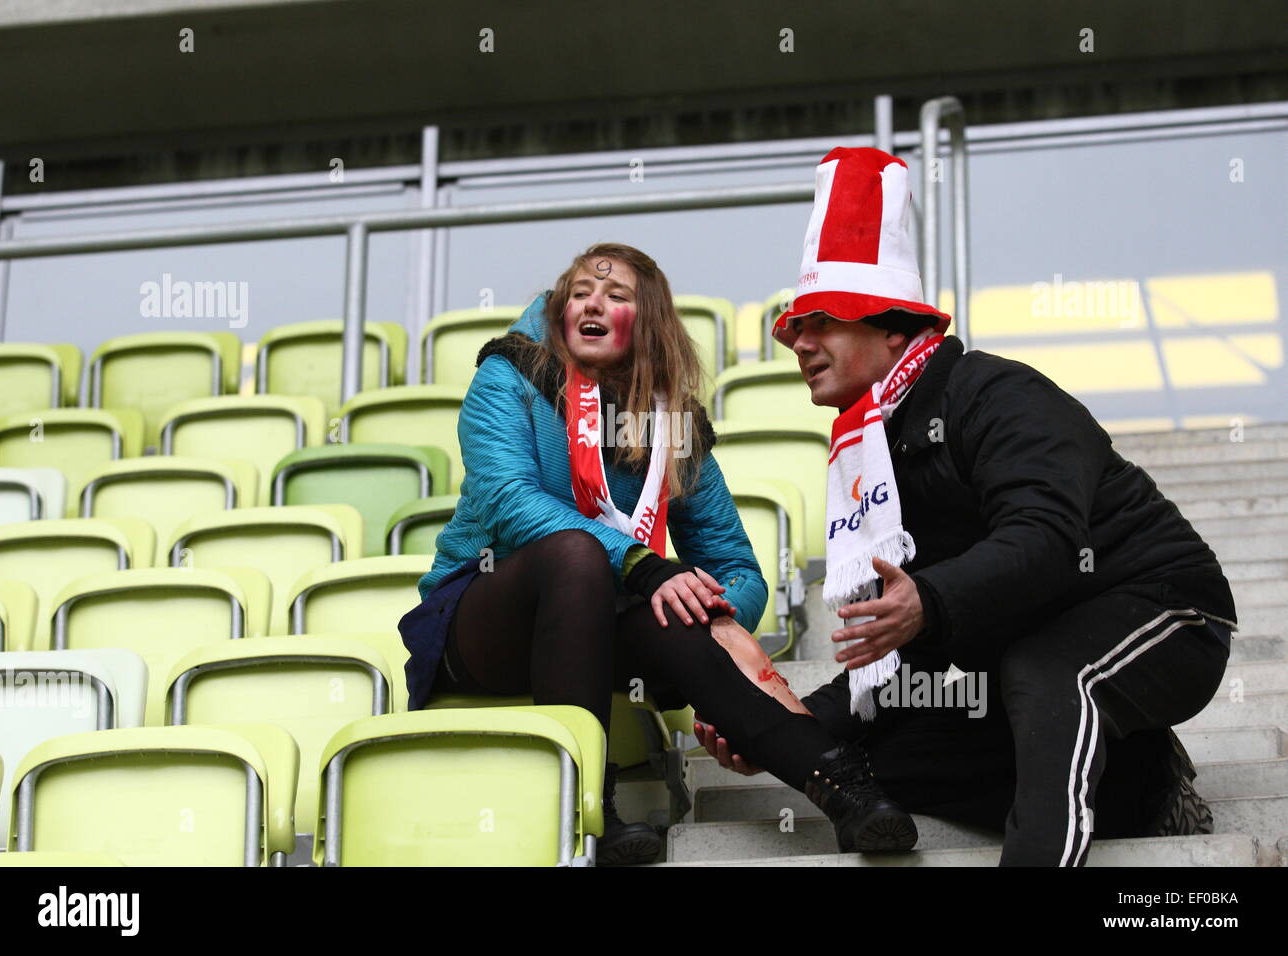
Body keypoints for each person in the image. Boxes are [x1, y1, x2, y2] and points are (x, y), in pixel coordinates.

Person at [696, 147, 1238, 866]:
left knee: (1047, 671)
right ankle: (1146, 787)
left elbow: (1046, 539)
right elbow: (900, 663)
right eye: (796, 327)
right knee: (880, 752)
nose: (801, 342)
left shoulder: (996, 394)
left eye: (823, 321)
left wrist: (927, 598)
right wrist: (786, 729)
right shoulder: (872, 455)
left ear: (893, 330)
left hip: (1162, 609)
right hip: (1020, 645)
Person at [398, 242, 918, 867]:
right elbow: (509, 502)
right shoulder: (505, 378)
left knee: (681, 613)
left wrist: (719, 612)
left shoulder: (670, 421)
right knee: (574, 556)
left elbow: (737, 568)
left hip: (604, 624)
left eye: (617, 297)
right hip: (486, 623)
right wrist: (644, 567)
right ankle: (593, 808)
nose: (593, 304)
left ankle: (843, 788)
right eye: (581, 295)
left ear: (646, 324)